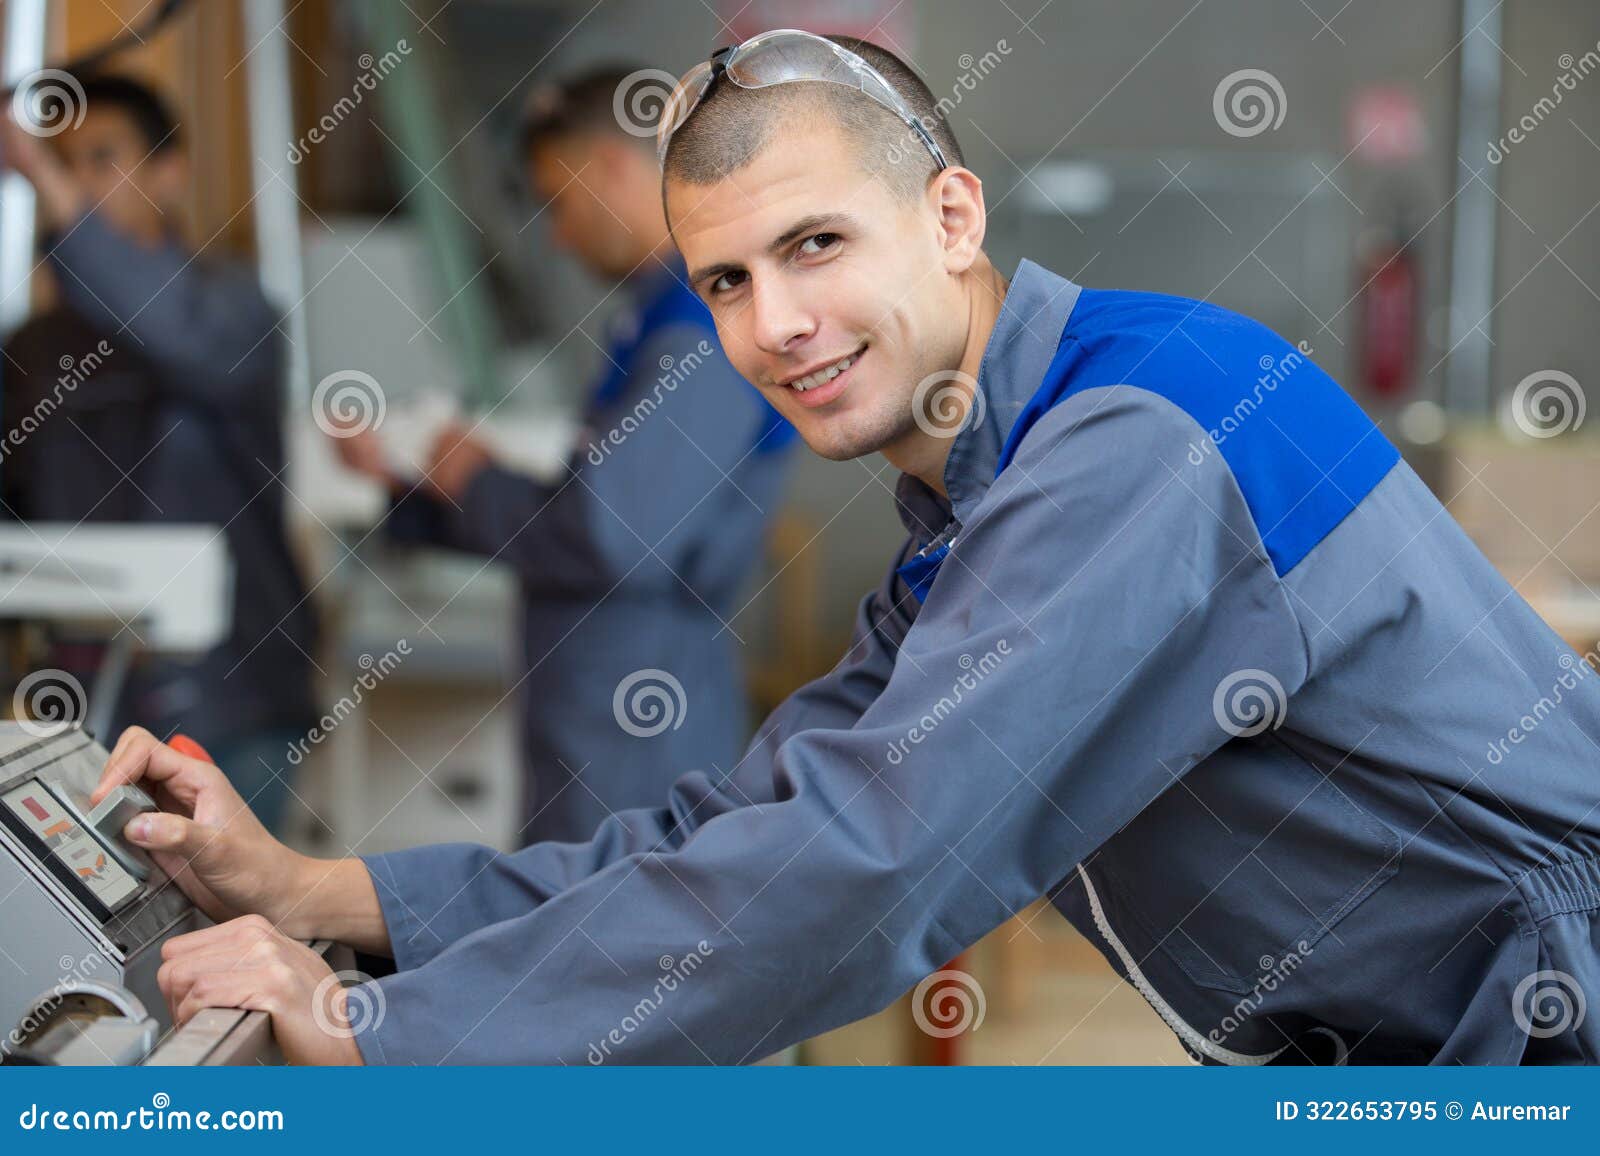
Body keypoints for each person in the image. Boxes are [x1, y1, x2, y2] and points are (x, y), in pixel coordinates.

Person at [94, 32, 1600, 1066]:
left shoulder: (1138, 438)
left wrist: (379, 1034)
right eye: (725, 281)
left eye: (816, 244)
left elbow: (868, 863)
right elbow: (742, 827)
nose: (776, 326)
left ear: (951, 216)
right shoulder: (978, 513)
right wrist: (322, 893)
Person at [330, 64, 795, 844]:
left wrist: (476, 480)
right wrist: (421, 489)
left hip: (637, 731)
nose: (557, 234)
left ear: (612, 167)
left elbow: (613, 538)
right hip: (598, 718)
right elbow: (580, 515)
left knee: (625, 913)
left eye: (557, 201)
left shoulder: (704, 329)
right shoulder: (653, 321)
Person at [3, 75, 315, 834]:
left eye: (102, 158)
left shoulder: (234, 311)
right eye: (62, 162)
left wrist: (47, 184)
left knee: (229, 907)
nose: (76, 183)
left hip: (233, 704)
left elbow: (176, 333)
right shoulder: (32, 351)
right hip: (79, 712)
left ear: (169, 173)